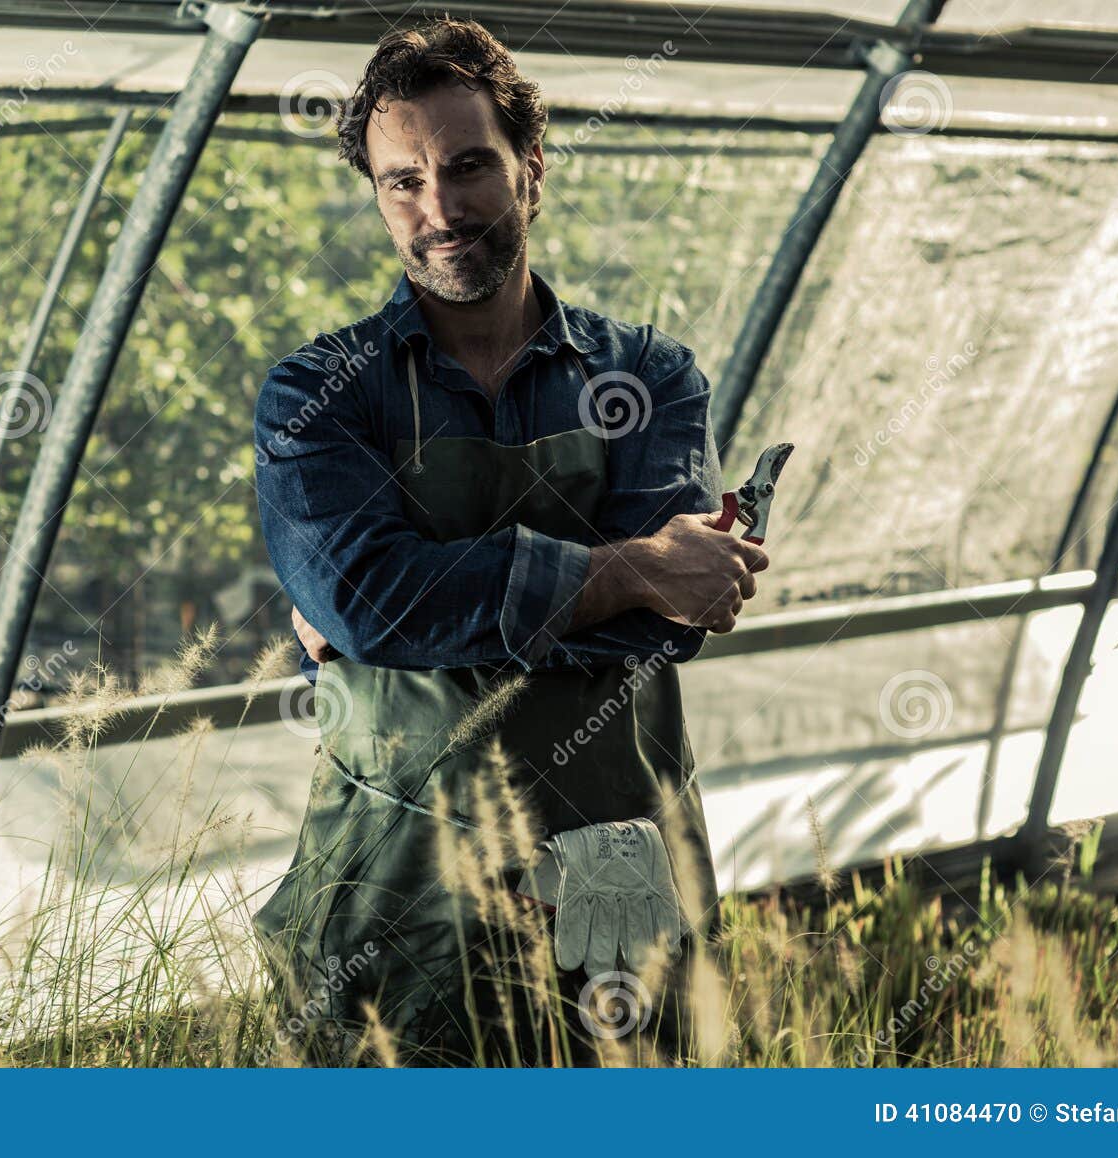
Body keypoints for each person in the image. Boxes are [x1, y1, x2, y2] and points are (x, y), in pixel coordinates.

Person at [251, 18, 768, 1066]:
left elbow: (654, 637)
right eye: (402, 181)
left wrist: (398, 621)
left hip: (611, 850)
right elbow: (373, 600)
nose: (438, 209)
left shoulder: (648, 379)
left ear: (531, 169)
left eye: (468, 167)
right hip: (396, 869)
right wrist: (625, 569)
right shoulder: (319, 394)